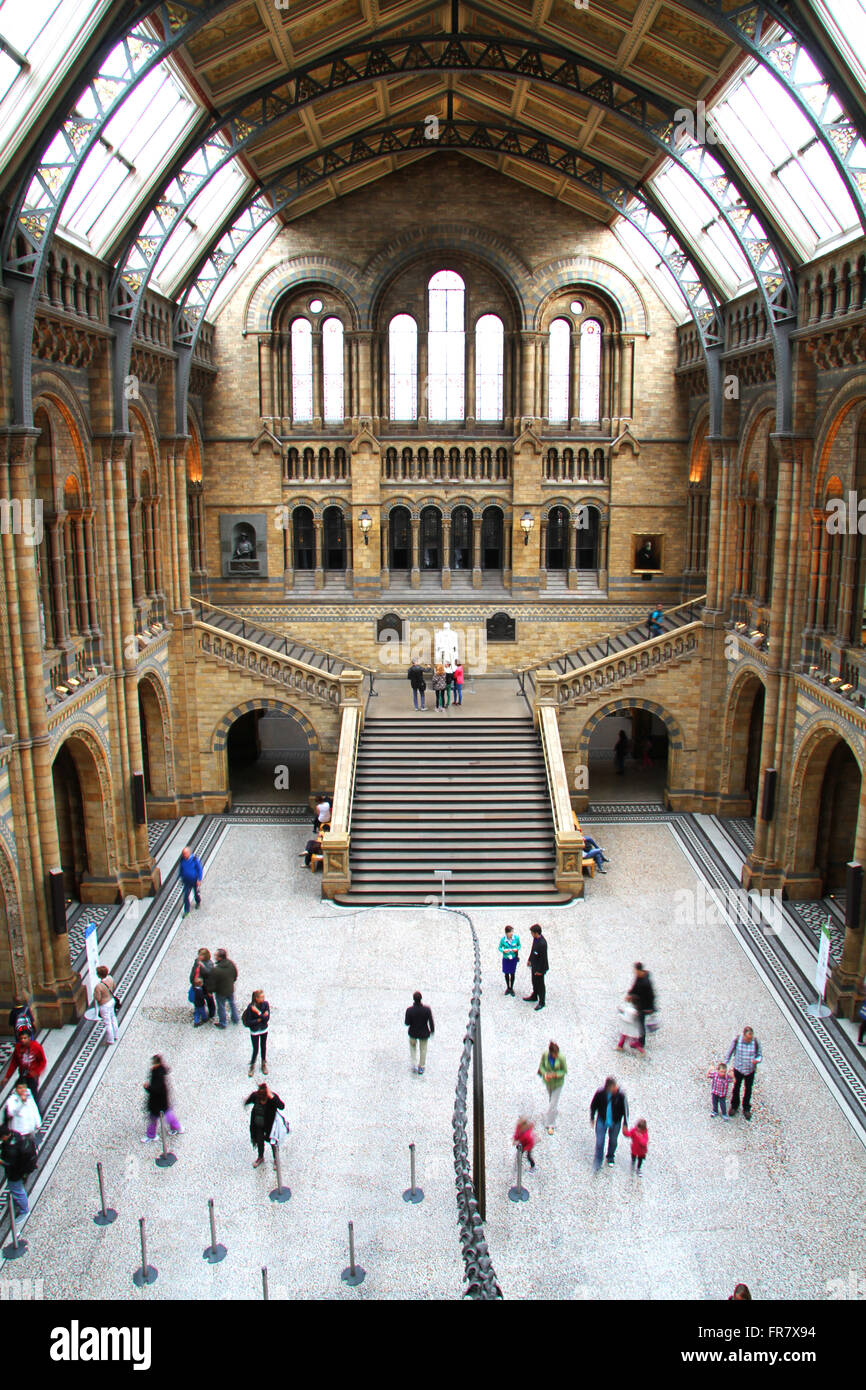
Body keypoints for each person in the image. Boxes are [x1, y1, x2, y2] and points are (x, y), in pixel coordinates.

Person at [590, 1076, 628, 1170]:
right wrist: (592, 1117)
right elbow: (593, 1105)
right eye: (613, 1088)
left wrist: (625, 1124)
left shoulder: (621, 1095)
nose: (616, 1088)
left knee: (613, 1140)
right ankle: (598, 1161)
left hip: (615, 1121)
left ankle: (610, 1156)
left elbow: (625, 1110)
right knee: (599, 1141)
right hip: (602, 1119)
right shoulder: (600, 1093)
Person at [142, 1055, 183, 1142]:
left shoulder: (156, 1074)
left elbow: (155, 1089)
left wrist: (147, 1087)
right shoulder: (160, 1072)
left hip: (156, 1102)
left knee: (153, 1119)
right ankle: (177, 1127)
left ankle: (151, 1136)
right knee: (168, 1115)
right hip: (163, 1101)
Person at [244, 1082, 285, 1168]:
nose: (262, 1102)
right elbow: (247, 1101)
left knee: (273, 1143)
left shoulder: (272, 1098)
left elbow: (281, 1106)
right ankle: (260, 1157)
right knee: (259, 1141)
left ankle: (275, 1159)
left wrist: (272, 1097)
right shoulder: (255, 1096)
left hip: (270, 1126)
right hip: (258, 1125)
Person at [726, 1026, 762, 1120]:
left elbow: (759, 1055)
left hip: (750, 1071)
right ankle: (734, 1106)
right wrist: (725, 1062)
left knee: (748, 1089)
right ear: (744, 1035)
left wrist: (757, 1060)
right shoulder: (737, 1040)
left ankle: (746, 1108)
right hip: (738, 1069)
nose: (750, 1040)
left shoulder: (756, 1042)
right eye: (748, 1038)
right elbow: (730, 1052)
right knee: (736, 1087)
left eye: (751, 1038)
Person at [0, 1127, 37, 1218]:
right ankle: (19, 1203)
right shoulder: (16, 1134)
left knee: (17, 1190)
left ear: (4, 1136)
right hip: (24, 1167)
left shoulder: (10, 1151)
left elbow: (8, 1164)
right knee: (18, 1188)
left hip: (15, 1172)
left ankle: (24, 1210)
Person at [3, 1026, 47, 1101]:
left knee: (33, 1095)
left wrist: (36, 1072)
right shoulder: (18, 1047)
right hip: (22, 1075)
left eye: (25, 1038)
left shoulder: (36, 1047)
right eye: (21, 1038)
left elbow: (42, 1061)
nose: (23, 1040)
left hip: (32, 1077)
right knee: (19, 1093)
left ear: (29, 1038)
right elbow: (14, 1062)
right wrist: (7, 1076)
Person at [538, 1041, 567, 1135]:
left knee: (553, 1103)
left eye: (557, 1054)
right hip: (548, 1082)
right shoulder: (545, 1055)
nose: (556, 1056)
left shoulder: (561, 1058)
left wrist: (555, 1074)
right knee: (552, 1100)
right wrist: (545, 1073)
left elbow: (564, 1071)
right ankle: (553, 1112)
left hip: (558, 1083)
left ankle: (550, 1124)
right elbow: (541, 1066)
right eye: (554, 1054)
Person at [404, 990, 434, 1075]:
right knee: (423, 1049)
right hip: (424, 1033)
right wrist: (432, 1030)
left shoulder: (409, 1010)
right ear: (421, 999)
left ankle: (414, 1064)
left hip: (413, 1033)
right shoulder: (427, 1010)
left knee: (413, 1048)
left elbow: (407, 1023)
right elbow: (431, 1021)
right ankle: (421, 1066)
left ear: (413, 999)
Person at [629, 962, 656, 1052]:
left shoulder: (645, 983)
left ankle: (641, 1042)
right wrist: (630, 993)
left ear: (638, 970)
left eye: (635, 970)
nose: (634, 972)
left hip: (643, 1007)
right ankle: (638, 1038)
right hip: (639, 1005)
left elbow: (649, 996)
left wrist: (650, 1008)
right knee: (638, 1022)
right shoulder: (639, 977)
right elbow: (634, 987)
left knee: (641, 1023)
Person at [210, 948, 239, 1028]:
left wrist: (210, 990)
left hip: (220, 992)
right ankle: (235, 1019)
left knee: (221, 1007)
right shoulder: (231, 964)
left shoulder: (216, 969)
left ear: (220, 958)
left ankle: (223, 1023)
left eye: (216, 955)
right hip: (230, 989)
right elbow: (235, 975)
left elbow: (212, 983)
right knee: (232, 1003)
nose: (214, 956)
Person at [244, 990, 270, 1077]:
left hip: (263, 1029)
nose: (263, 999)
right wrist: (261, 1018)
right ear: (256, 998)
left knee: (263, 1046)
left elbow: (267, 1019)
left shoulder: (265, 1004)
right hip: (255, 1030)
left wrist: (258, 1013)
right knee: (255, 1048)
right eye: (261, 997)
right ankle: (252, 1064)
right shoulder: (250, 1007)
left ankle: (263, 1063)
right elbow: (248, 1021)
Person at [523, 924, 549, 1010]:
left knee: (540, 984)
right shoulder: (535, 939)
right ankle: (534, 995)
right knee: (534, 981)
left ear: (536, 933)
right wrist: (530, 959)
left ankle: (542, 1002)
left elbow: (543, 959)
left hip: (540, 968)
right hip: (534, 965)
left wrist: (540, 970)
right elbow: (533, 949)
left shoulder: (542, 944)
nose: (531, 934)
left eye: (532, 933)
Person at [93, 964, 119, 1046]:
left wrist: (95, 995)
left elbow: (98, 998)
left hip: (104, 1004)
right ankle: (116, 1035)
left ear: (99, 975)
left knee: (108, 1022)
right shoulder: (110, 978)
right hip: (111, 1000)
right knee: (113, 1018)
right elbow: (114, 986)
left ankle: (110, 1040)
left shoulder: (99, 986)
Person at [190, 948, 215, 1026]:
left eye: (201, 955)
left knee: (209, 998)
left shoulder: (209, 963)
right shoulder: (196, 961)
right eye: (199, 955)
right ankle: (201, 1010)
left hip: (206, 985)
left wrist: (203, 967)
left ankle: (211, 1013)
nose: (199, 956)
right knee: (198, 999)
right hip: (197, 984)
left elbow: (209, 974)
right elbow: (194, 970)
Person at [178, 845, 203, 916]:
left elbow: (199, 869)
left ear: (189, 853)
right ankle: (186, 911)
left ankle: (198, 902)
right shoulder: (182, 860)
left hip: (194, 880)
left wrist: (199, 879)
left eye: (185, 853)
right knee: (186, 896)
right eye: (183, 853)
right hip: (186, 881)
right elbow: (181, 869)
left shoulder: (195, 859)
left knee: (196, 893)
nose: (184, 855)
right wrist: (181, 876)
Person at [498, 925, 521, 995]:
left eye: (512, 932)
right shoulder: (503, 940)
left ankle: (512, 988)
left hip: (513, 958)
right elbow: (499, 947)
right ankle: (508, 987)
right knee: (506, 973)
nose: (511, 933)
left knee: (512, 973)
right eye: (510, 932)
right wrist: (503, 950)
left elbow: (519, 945)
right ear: (506, 933)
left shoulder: (516, 938)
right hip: (506, 958)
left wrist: (517, 949)